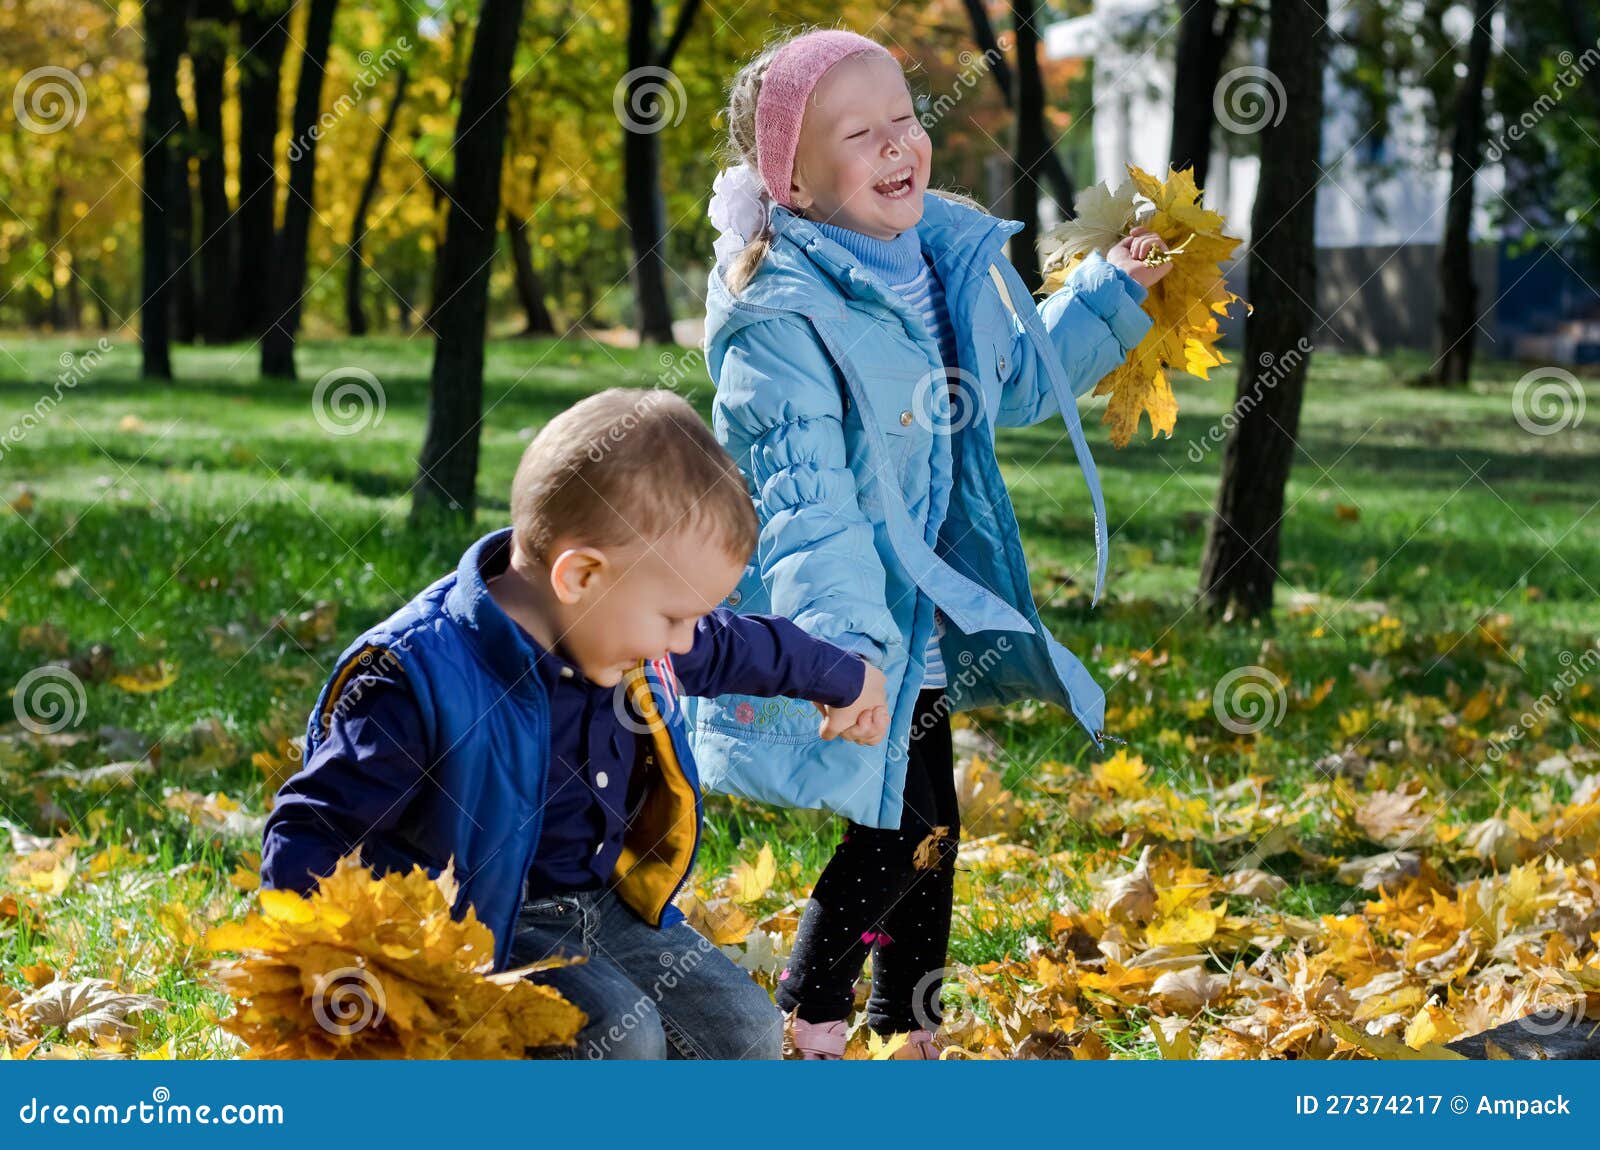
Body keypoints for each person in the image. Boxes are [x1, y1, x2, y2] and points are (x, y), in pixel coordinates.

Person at [690, 27, 1172, 1059]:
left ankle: (911, 1031)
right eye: (859, 135)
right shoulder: (780, 316)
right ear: (797, 183)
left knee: (927, 830)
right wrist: (840, 651)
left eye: (904, 120)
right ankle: (811, 1019)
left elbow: (1023, 377)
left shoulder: (940, 259)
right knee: (896, 834)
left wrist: (1112, 291)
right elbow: (804, 503)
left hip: (925, 617)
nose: (899, 145)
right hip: (857, 618)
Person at [260, 388, 890, 1059]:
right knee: (622, 1041)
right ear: (582, 574)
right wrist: (334, 981)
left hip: (601, 906)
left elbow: (734, 643)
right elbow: (315, 827)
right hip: (476, 932)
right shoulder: (418, 677)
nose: (684, 642)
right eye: (675, 617)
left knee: (744, 1028)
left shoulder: (625, 631)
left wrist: (845, 677)